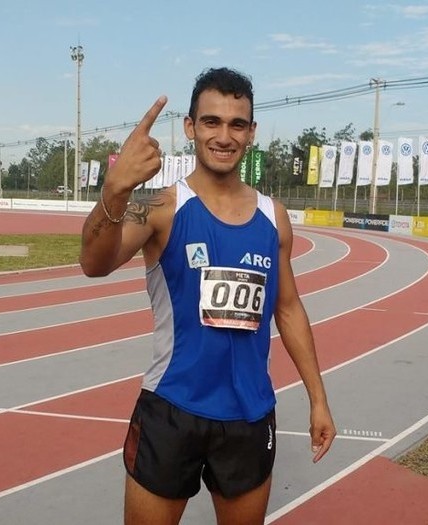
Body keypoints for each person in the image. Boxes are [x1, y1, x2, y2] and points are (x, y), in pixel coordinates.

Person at [80, 67, 336, 525]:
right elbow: (94, 263)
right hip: (171, 408)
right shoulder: (156, 206)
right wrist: (115, 189)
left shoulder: (272, 217)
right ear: (190, 127)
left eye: (237, 124)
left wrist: (318, 397)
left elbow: (288, 307)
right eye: (211, 122)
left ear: (251, 132)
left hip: (249, 415)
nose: (224, 135)